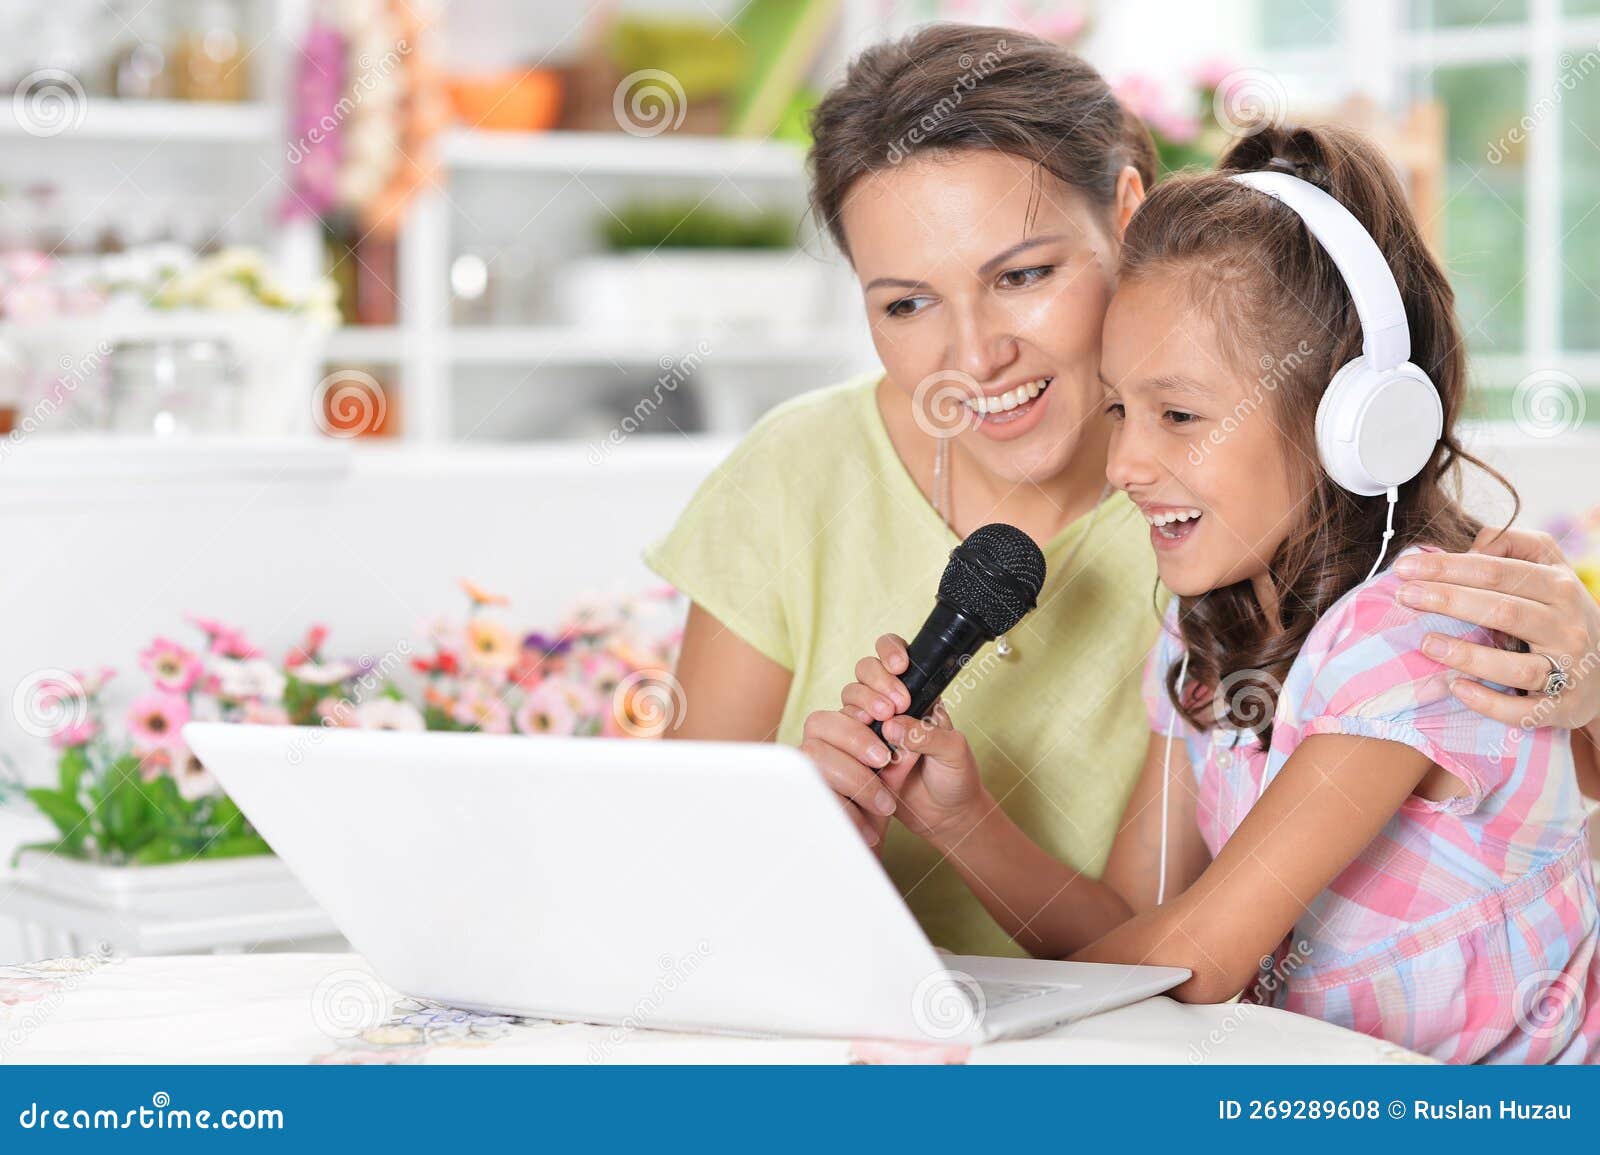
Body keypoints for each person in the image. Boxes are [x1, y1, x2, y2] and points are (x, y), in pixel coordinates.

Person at [645, 23, 1600, 959]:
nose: (974, 356)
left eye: (1022, 274)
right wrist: (805, 851)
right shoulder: (802, 471)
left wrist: (1590, 693)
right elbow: (669, 879)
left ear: (1129, 213)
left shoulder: (1250, 525)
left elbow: (1193, 951)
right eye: (905, 302)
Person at [833, 124, 1599, 1062]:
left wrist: (952, 1025)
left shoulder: (1415, 630)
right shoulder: (1207, 638)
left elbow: (1199, 959)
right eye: (1120, 409)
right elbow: (1136, 929)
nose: (1124, 462)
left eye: (1179, 414)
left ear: (1352, 421)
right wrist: (960, 818)